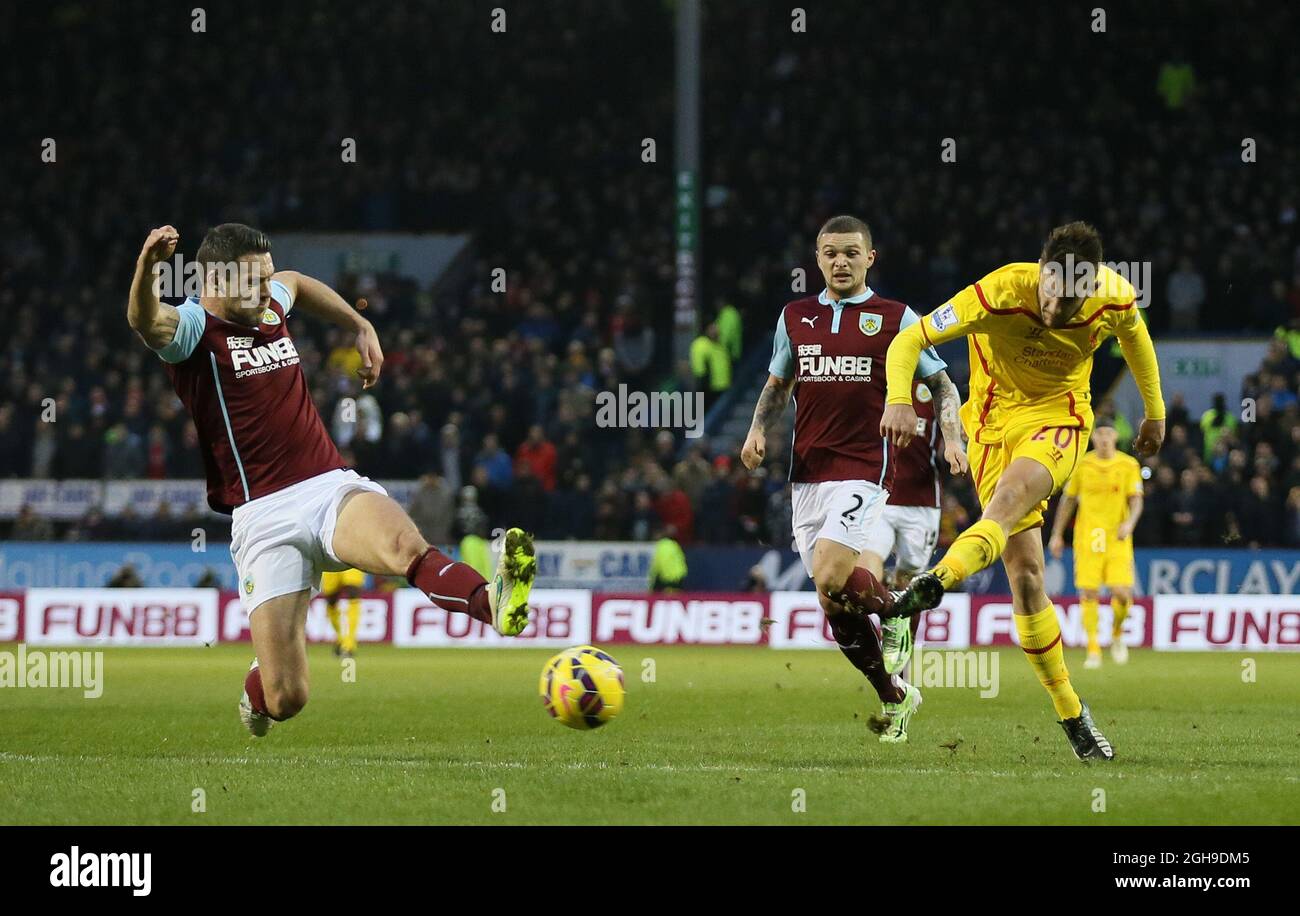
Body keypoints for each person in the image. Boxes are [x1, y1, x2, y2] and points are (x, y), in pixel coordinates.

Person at [126, 223, 537, 737]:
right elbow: (144, 320)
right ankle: (259, 687)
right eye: (252, 282)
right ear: (213, 281)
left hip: (327, 486)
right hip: (263, 517)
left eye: (265, 278)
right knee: (287, 698)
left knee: (403, 546)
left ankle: (492, 604)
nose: (265, 291)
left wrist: (359, 325)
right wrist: (148, 264)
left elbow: (296, 281)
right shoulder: (193, 328)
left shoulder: (268, 302)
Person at [881, 221, 1165, 761]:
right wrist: (899, 396)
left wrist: (1155, 413)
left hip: (1059, 417)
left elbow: (1137, 340)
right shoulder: (1000, 290)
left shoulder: (1113, 295)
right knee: (1028, 577)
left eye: (1074, 298)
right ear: (1042, 271)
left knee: (1009, 502)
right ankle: (1072, 713)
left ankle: (933, 582)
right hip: (990, 426)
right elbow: (911, 337)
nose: (1061, 309)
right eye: (1055, 294)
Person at [740, 214, 966, 744]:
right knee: (832, 601)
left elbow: (945, 385)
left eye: (850, 253)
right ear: (817, 259)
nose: (840, 262)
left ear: (870, 258)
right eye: (830, 253)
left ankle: (894, 611)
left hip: (864, 468)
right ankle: (895, 693)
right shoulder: (794, 317)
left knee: (829, 576)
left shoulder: (898, 318)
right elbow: (777, 386)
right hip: (807, 476)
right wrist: (755, 432)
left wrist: (951, 437)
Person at [861, 377, 946, 674]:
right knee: (867, 570)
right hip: (879, 495)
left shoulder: (934, 385)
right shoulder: (875, 379)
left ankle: (903, 653)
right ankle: (886, 616)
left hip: (921, 504)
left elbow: (951, 424)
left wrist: (956, 446)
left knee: (910, 583)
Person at [1048, 422, 1144, 668]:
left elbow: (1136, 502)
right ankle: (1093, 649)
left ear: (1115, 436)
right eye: (1099, 433)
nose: (1103, 438)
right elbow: (1068, 501)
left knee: (1122, 593)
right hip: (1088, 537)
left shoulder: (1128, 465)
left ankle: (1116, 634)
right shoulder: (1082, 464)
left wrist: (1130, 524)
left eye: (1108, 433)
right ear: (1092, 438)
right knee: (1089, 592)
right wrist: (1057, 534)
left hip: (1117, 538)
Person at [321, 568, 366, 657]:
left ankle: (349, 644)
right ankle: (341, 639)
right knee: (331, 599)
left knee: (353, 592)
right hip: (330, 559)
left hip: (353, 558)